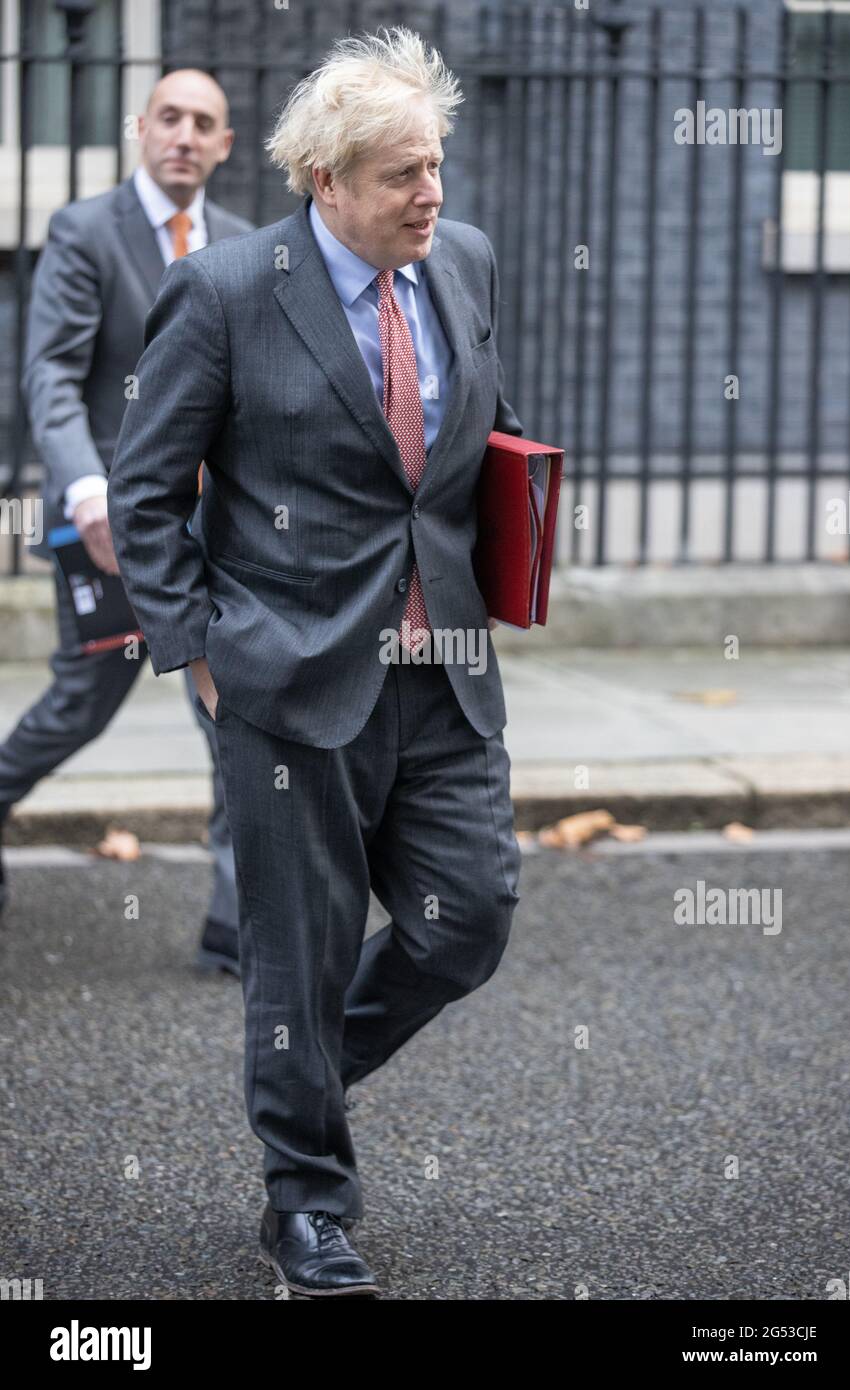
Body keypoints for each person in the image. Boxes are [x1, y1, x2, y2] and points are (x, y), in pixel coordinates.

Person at [107, 26, 523, 1298]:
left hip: (441, 668)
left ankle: (299, 1070)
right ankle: (308, 1198)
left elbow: (477, 435)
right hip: (285, 681)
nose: (432, 193)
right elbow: (144, 489)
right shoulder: (232, 290)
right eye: (402, 173)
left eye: (437, 163)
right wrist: (200, 655)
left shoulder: (462, 260)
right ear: (324, 180)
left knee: (470, 917)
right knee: (299, 944)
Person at [0, 70, 252, 974]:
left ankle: (235, 924)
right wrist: (88, 491)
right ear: (141, 129)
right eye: (171, 118)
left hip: (211, 530)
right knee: (82, 703)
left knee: (229, 713)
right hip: (104, 521)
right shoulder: (83, 231)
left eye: (205, 124)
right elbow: (52, 380)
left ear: (225, 145)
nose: (185, 135)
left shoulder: (243, 244)